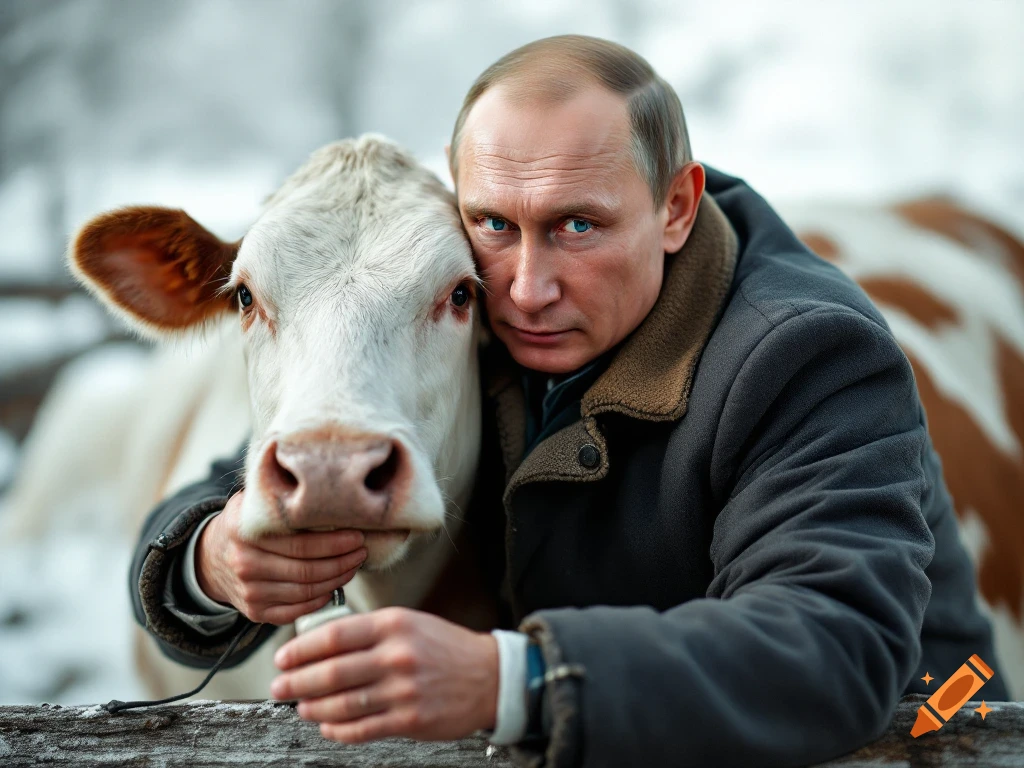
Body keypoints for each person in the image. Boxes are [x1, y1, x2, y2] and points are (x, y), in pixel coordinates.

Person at [129, 35, 1009, 767]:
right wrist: (211, 562)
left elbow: (837, 648)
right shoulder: (467, 309)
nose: (528, 287)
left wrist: (515, 681)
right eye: (497, 226)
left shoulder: (808, 355)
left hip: (915, 737)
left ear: (674, 207)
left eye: (577, 225)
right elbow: (221, 487)